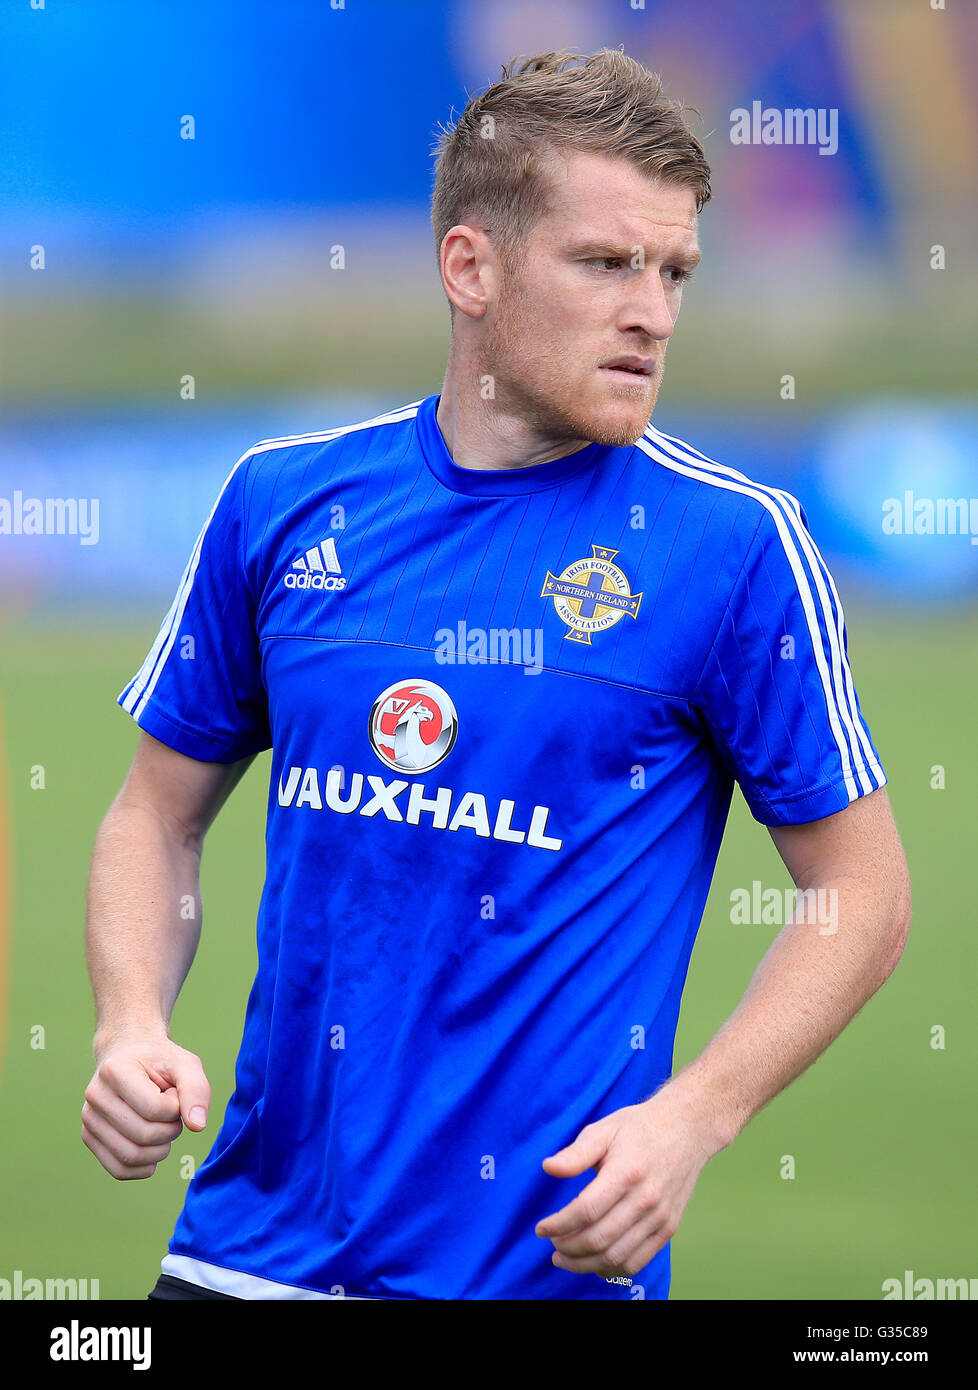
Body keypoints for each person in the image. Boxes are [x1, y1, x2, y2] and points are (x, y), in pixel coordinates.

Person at [82, 48, 911, 1301]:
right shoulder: (283, 501)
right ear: (470, 266)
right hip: (240, 1260)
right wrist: (131, 1022)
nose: (655, 312)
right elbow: (155, 810)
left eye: (675, 270)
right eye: (607, 263)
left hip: (537, 1278)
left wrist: (696, 1115)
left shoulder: (733, 548)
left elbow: (863, 891)